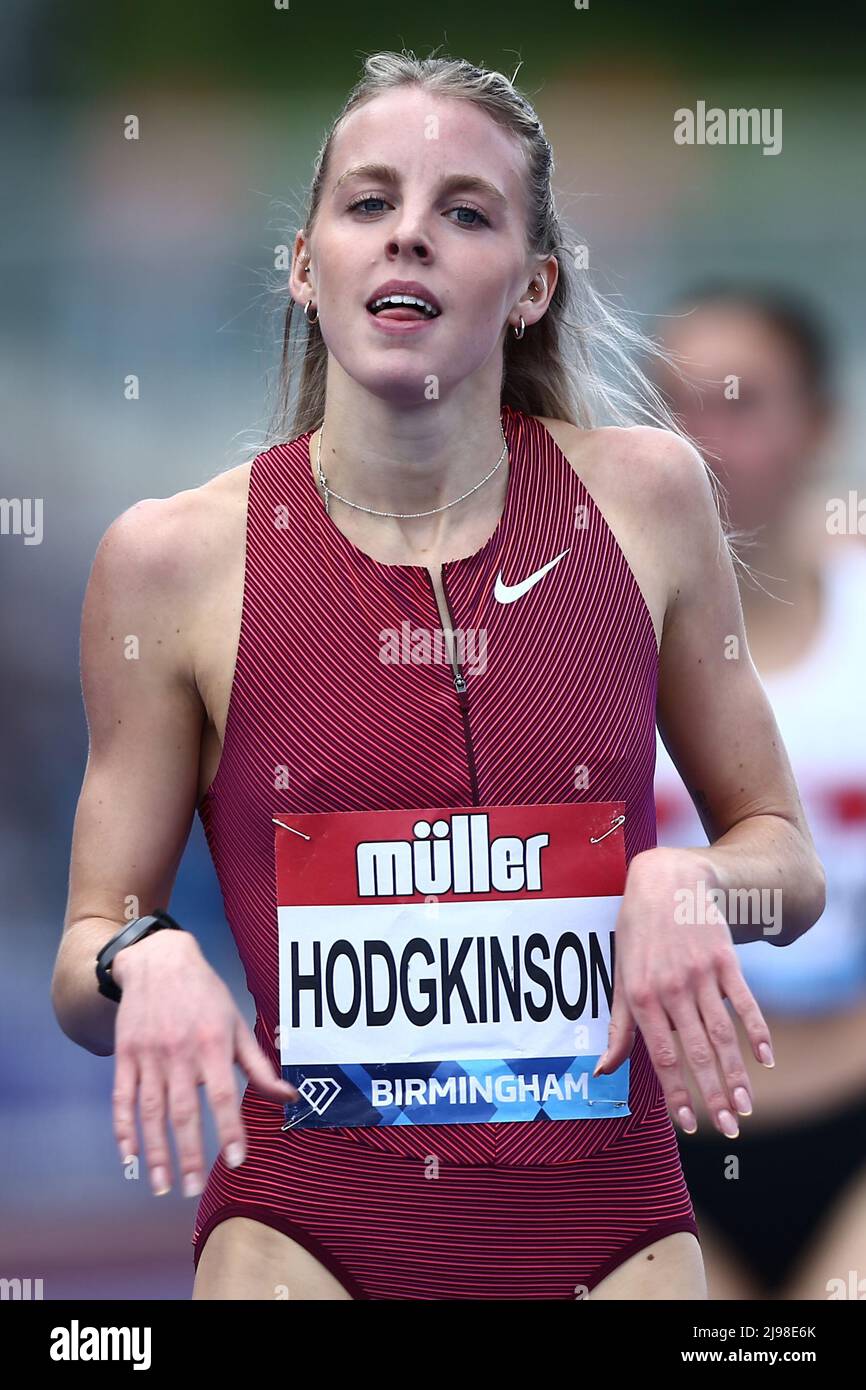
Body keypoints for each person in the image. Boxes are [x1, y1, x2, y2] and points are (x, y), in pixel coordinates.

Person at [50, 52, 825, 1301]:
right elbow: (85, 951)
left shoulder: (648, 500)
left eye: (462, 211)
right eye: (367, 204)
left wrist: (694, 881)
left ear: (529, 288)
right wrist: (143, 955)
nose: (408, 234)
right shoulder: (170, 561)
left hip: (608, 1230)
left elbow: (782, 865)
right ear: (305, 267)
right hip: (303, 1228)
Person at [651, 282, 866, 1301]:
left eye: (737, 404)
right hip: (656, 1152)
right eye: (672, 406)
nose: (699, 442)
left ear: (818, 425)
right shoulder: (582, 645)